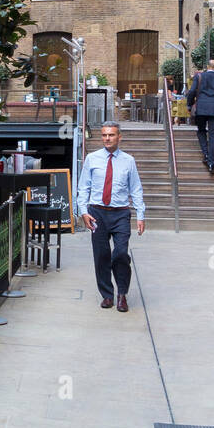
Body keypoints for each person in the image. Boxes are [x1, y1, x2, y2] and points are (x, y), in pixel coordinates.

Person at [76, 121, 146, 312]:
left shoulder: (128, 161)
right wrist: (83, 211)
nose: (107, 138)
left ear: (119, 137)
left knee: (121, 254)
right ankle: (107, 295)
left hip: (120, 213)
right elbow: (84, 187)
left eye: (111, 135)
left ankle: (122, 294)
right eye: (104, 135)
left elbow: (136, 189)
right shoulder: (92, 158)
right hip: (97, 213)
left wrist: (140, 215)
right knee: (101, 256)